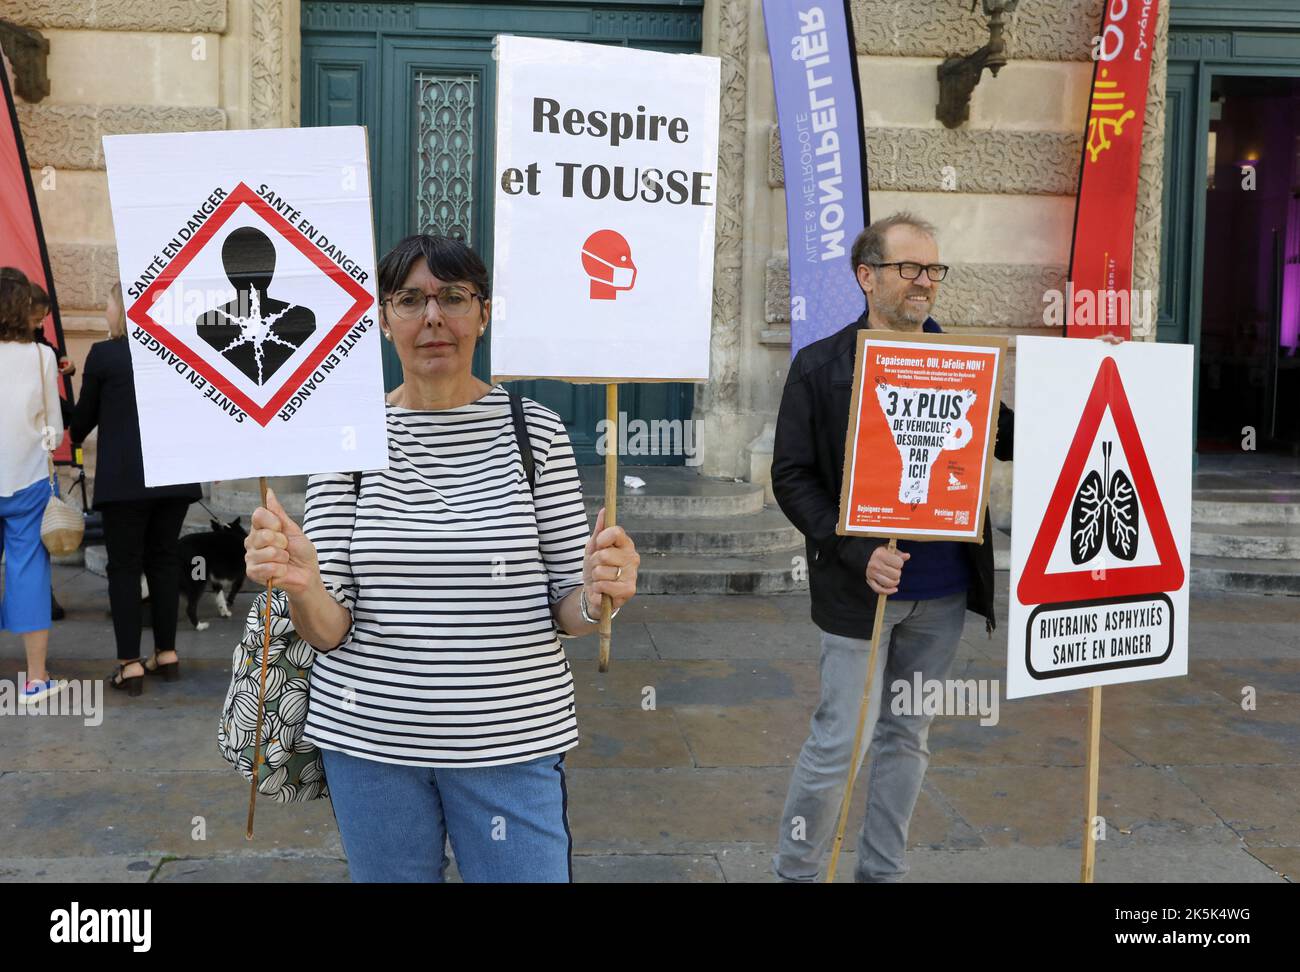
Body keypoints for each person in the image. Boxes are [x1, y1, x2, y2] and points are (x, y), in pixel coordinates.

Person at [244, 234, 641, 883]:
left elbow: (569, 608)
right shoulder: (348, 439)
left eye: (453, 297)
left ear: (483, 314)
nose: (433, 317)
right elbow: (329, 628)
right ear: (382, 317)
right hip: (371, 745)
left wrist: (601, 594)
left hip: (511, 744)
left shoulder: (533, 430)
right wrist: (301, 583)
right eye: (410, 300)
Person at [770, 213, 1016, 883]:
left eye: (934, 270)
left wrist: (1096, 360)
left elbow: (1013, 439)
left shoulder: (964, 361)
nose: (925, 282)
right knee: (838, 742)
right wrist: (857, 552)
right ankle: (796, 874)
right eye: (910, 269)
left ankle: (883, 873)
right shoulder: (821, 366)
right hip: (861, 593)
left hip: (941, 592)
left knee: (908, 738)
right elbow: (791, 477)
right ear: (867, 276)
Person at [70, 283, 201, 696]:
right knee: (164, 561)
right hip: (175, 478)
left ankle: (130, 664)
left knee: (124, 567)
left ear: (122, 310)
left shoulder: (105, 355)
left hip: (125, 483)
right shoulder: (178, 350)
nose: (106, 311)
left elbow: (80, 424)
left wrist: (65, 401)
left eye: (108, 304)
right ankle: (167, 654)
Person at [0, 266, 65, 704]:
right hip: (27, 480)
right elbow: (54, 432)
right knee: (28, 572)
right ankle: (36, 679)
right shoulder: (41, 357)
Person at [28, 281, 74, 622]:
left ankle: (43, 597)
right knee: (31, 541)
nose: (43, 319)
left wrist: (61, 361)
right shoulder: (33, 352)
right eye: (40, 314)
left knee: (32, 541)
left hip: (27, 459)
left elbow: (48, 348)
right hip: (31, 459)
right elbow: (55, 428)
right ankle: (41, 600)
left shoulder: (39, 344)